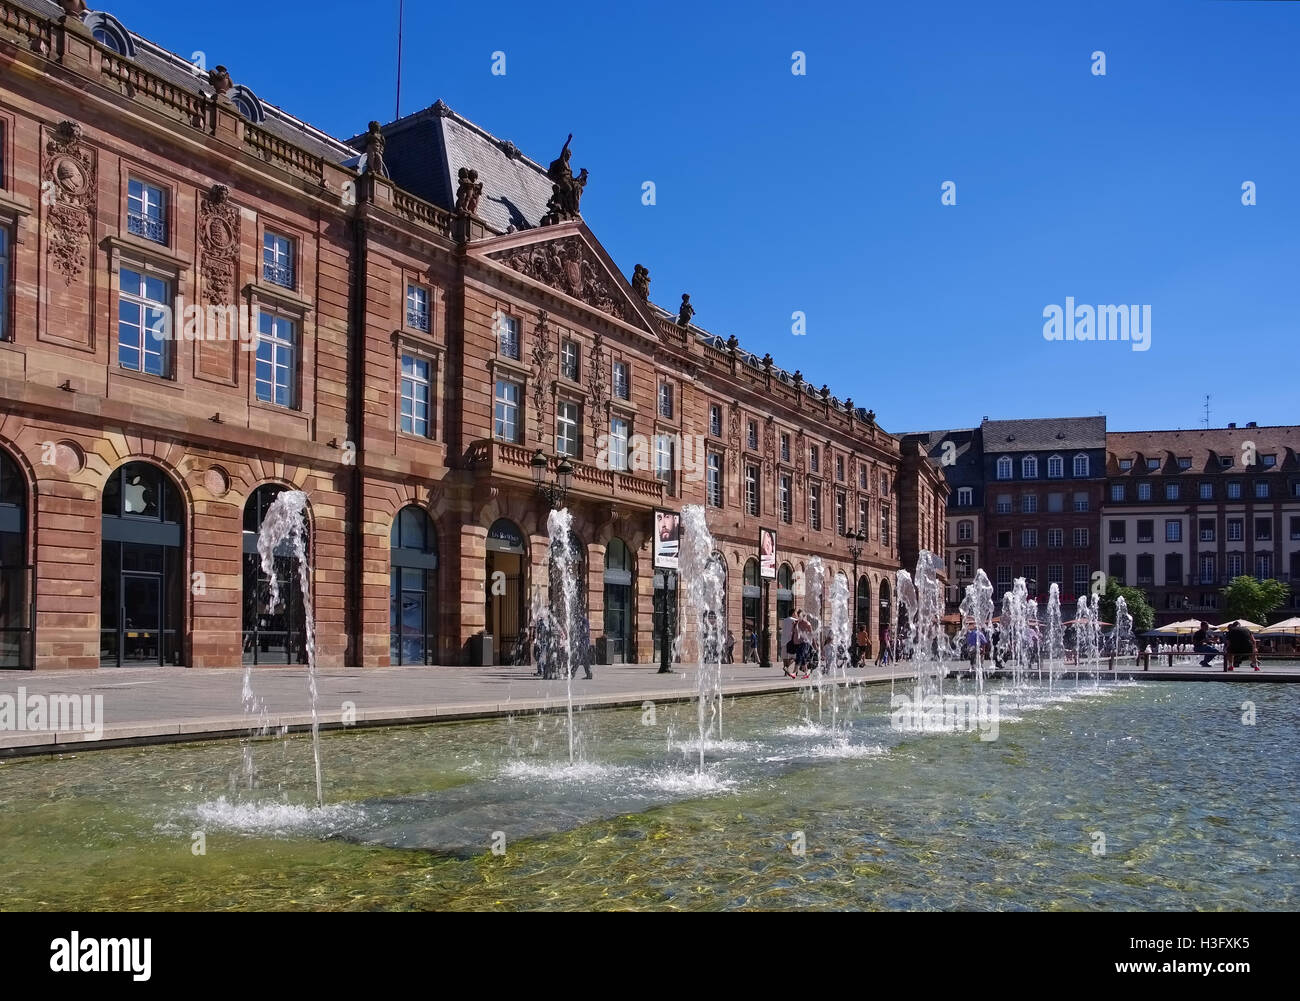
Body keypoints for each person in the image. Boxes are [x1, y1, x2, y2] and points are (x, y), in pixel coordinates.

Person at [780, 609, 798, 677]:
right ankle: (787, 667)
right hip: (791, 641)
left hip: (783, 640)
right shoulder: (794, 620)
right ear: (793, 613)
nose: (796, 614)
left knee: (785, 657)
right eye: (796, 613)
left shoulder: (784, 620)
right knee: (795, 657)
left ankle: (785, 672)